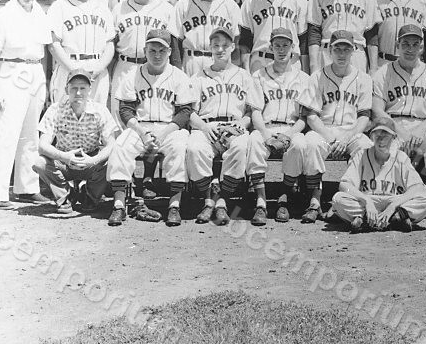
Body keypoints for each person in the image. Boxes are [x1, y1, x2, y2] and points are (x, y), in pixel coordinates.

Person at [106, 29, 194, 226]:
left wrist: (165, 133)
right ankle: (119, 205)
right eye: (152, 50)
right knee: (120, 146)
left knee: (179, 148)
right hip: (140, 127)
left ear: (170, 52)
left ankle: (174, 206)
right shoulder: (132, 74)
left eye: (161, 51)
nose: (157, 55)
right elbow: (126, 110)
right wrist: (141, 132)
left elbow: (185, 111)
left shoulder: (178, 76)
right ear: (145, 50)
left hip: (170, 128)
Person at [0, 0, 52, 209]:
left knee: (30, 135)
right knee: (5, 135)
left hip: (35, 73)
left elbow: (43, 52)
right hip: (10, 72)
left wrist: (43, 83)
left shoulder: (40, 14)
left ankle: (27, 188)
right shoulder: (3, 15)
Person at [371, 23, 426, 221]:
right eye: (405, 43)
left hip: (423, 125)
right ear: (397, 45)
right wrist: (398, 131)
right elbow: (378, 109)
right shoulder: (383, 72)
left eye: (415, 44)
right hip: (393, 125)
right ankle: (397, 201)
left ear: (421, 47)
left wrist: (421, 130)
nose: (410, 49)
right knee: (387, 148)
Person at [297, 30, 374, 223]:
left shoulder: (363, 79)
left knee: (366, 147)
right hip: (324, 128)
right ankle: (315, 201)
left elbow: (364, 117)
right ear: (329, 51)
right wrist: (331, 138)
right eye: (337, 49)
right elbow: (311, 116)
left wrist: (346, 137)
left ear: (354, 51)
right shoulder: (317, 76)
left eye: (346, 49)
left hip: (352, 130)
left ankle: (356, 199)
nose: (341, 54)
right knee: (312, 143)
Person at [185, 27, 255, 226]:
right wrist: (205, 128)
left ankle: (222, 199)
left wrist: (241, 124)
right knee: (194, 148)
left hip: (235, 126)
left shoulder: (244, 76)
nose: (220, 49)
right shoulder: (198, 77)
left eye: (225, 45)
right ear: (210, 48)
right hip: (207, 126)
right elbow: (189, 112)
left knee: (241, 147)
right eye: (216, 45)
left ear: (233, 47)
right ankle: (209, 199)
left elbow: (251, 111)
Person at [245, 28, 312, 225]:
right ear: (270, 48)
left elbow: (304, 117)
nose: (281, 50)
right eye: (277, 46)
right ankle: (261, 202)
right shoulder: (259, 75)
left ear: (293, 48)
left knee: (299, 145)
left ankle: (284, 197)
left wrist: (289, 135)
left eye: (285, 45)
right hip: (266, 127)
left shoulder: (304, 78)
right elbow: (255, 112)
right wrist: (266, 135)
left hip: (292, 128)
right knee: (254, 142)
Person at [330, 115, 426, 232]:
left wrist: (393, 207)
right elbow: (344, 185)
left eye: (386, 135)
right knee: (338, 198)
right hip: (368, 201)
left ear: (393, 137)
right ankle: (393, 220)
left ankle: (380, 218)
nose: (381, 140)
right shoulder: (361, 155)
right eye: (377, 135)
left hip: (395, 202)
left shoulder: (401, 157)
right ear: (371, 137)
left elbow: (417, 187)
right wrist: (366, 201)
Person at [33, 69, 119, 214]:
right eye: (74, 88)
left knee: (112, 160)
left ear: (90, 90)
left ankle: (91, 196)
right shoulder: (55, 109)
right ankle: (64, 196)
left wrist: (93, 160)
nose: (78, 92)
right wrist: (64, 157)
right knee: (39, 162)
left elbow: (111, 144)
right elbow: (42, 145)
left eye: (82, 88)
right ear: (66, 89)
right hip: (64, 161)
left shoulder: (100, 110)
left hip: (91, 159)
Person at [46, 0, 116, 107]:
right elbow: (53, 45)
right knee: (64, 121)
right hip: (69, 68)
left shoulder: (102, 9)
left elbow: (110, 45)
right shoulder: (59, 7)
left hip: (97, 70)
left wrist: (99, 68)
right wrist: (75, 70)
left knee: (96, 121)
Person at [169, 0, 241, 77]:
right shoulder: (183, 5)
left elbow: (236, 41)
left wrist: (235, 71)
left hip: (219, 62)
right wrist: (177, 70)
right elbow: (175, 40)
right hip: (191, 61)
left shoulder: (231, 6)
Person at [239, 0, 309, 74]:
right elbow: (245, 40)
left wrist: (305, 71)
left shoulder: (299, 1)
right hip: (260, 62)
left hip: (290, 62)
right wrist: (245, 71)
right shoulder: (251, 1)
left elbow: (303, 42)